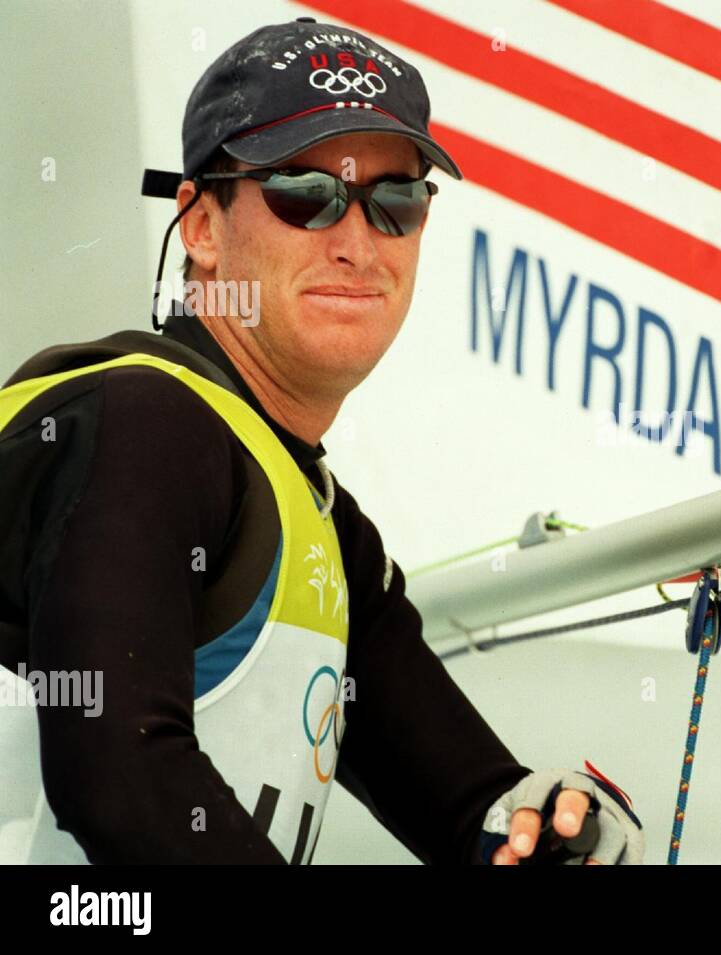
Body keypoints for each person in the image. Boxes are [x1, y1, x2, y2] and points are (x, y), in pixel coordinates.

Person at [0, 16, 643, 866]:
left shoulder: (325, 527)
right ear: (198, 224)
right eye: (304, 192)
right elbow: (118, 778)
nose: (354, 241)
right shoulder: (141, 423)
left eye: (395, 200)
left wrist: (555, 823)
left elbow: (473, 812)